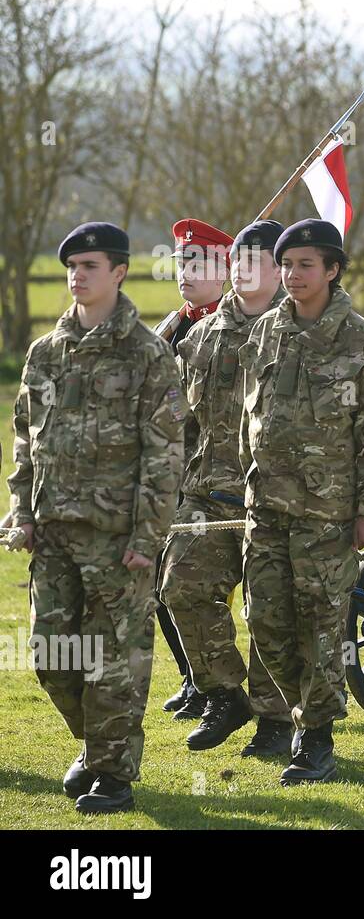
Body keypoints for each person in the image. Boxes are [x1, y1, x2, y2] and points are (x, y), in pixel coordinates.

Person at [9, 222, 185, 812]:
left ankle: (114, 775)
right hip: (52, 531)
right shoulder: (45, 352)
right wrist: (20, 510)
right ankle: (93, 745)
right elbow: (24, 441)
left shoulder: (147, 354)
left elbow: (164, 453)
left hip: (118, 540)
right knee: (51, 655)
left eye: (90, 266)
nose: (78, 276)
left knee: (114, 662)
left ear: (119, 272)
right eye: (72, 267)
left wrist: (148, 534)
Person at [239, 219, 364, 784]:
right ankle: (298, 711)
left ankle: (316, 737)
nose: (291, 275)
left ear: (333, 270)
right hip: (266, 508)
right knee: (265, 620)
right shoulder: (265, 332)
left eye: (305, 264)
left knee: (323, 625)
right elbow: (251, 416)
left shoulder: (361, 342)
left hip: (328, 516)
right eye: (285, 265)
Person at [162, 219, 295, 756]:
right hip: (209, 494)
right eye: (236, 260)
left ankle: (276, 720)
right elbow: (176, 418)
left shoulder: (301, 334)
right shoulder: (200, 336)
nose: (241, 271)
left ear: (280, 271)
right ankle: (222, 693)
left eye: (254, 261)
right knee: (180, 586)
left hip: (281, 500)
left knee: (269, 611)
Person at [157, 218, 234, 721]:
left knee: (183, 580)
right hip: (169, 475)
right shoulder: (172, 325)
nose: (186, 271)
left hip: (212, 479)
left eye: (199, 263)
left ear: (225, 271)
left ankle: (217, 688)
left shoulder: (229, 330)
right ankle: (194, 677)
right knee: (157, 586)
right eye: (182, 261)